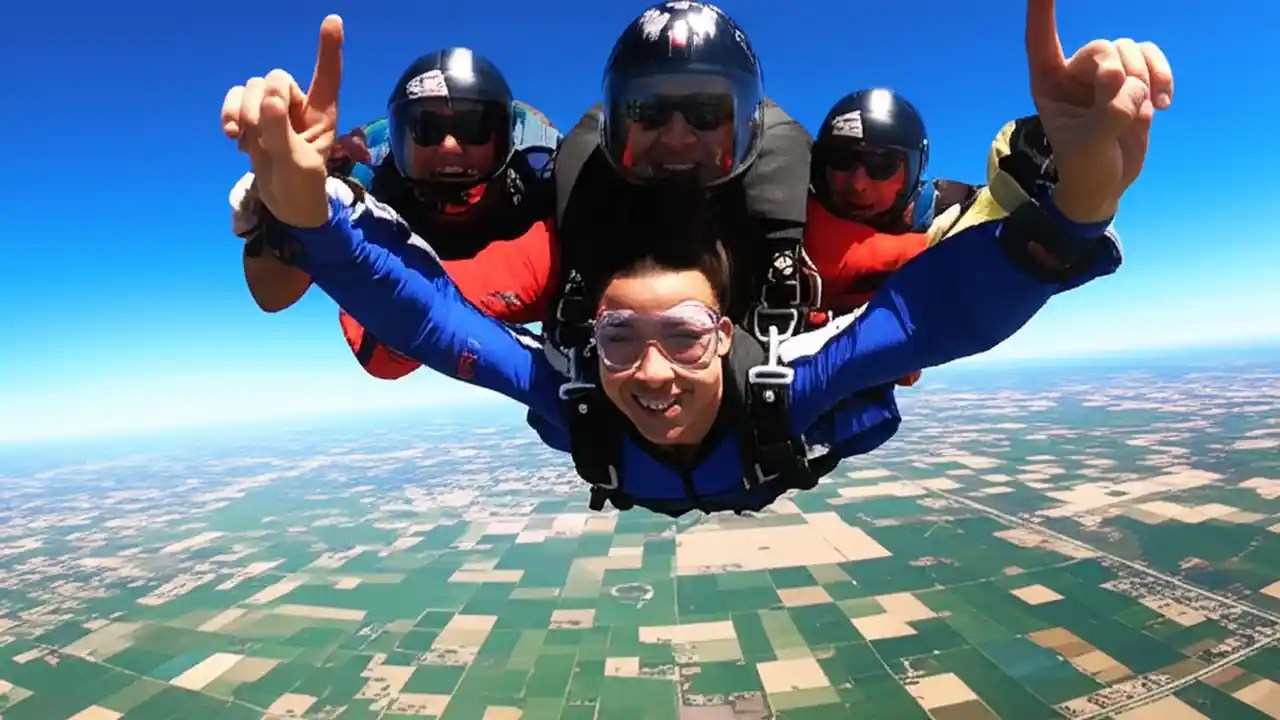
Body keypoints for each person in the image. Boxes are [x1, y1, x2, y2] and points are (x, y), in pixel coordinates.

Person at [219, 0, 1173, 515]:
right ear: (587, 334)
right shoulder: (587, 385)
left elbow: (935, 311)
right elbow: (421, 319)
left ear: (726, 334)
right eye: (619, 337)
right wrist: (310, 214)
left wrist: (1075, 198)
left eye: (680, 335)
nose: (650, 372)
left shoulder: (766, 374)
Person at [237, 48, 561, 379]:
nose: (449, 146)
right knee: (382, 354)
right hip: (415, 306)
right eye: (426, 127)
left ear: (503, 137)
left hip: (513, 271)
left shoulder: (540, 163)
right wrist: (282, 209)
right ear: (401, 135)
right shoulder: (362, 168)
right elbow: (272, 295)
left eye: (473, 125)